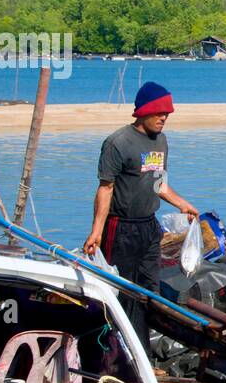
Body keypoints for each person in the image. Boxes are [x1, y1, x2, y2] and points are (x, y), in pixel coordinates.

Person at [83, 81, 198, 355]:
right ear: (143, 112)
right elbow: (105, 188)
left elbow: (160, 184)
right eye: (159, 113)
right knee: (120, 292)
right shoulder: (117, 143)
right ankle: (113, 356)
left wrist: (184, 204)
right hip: (120, 228)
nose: (163, 119)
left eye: (167, 114)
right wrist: (96, 231)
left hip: (149, 227)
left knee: (148, 293)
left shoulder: (161, 141)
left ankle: (142, 356)